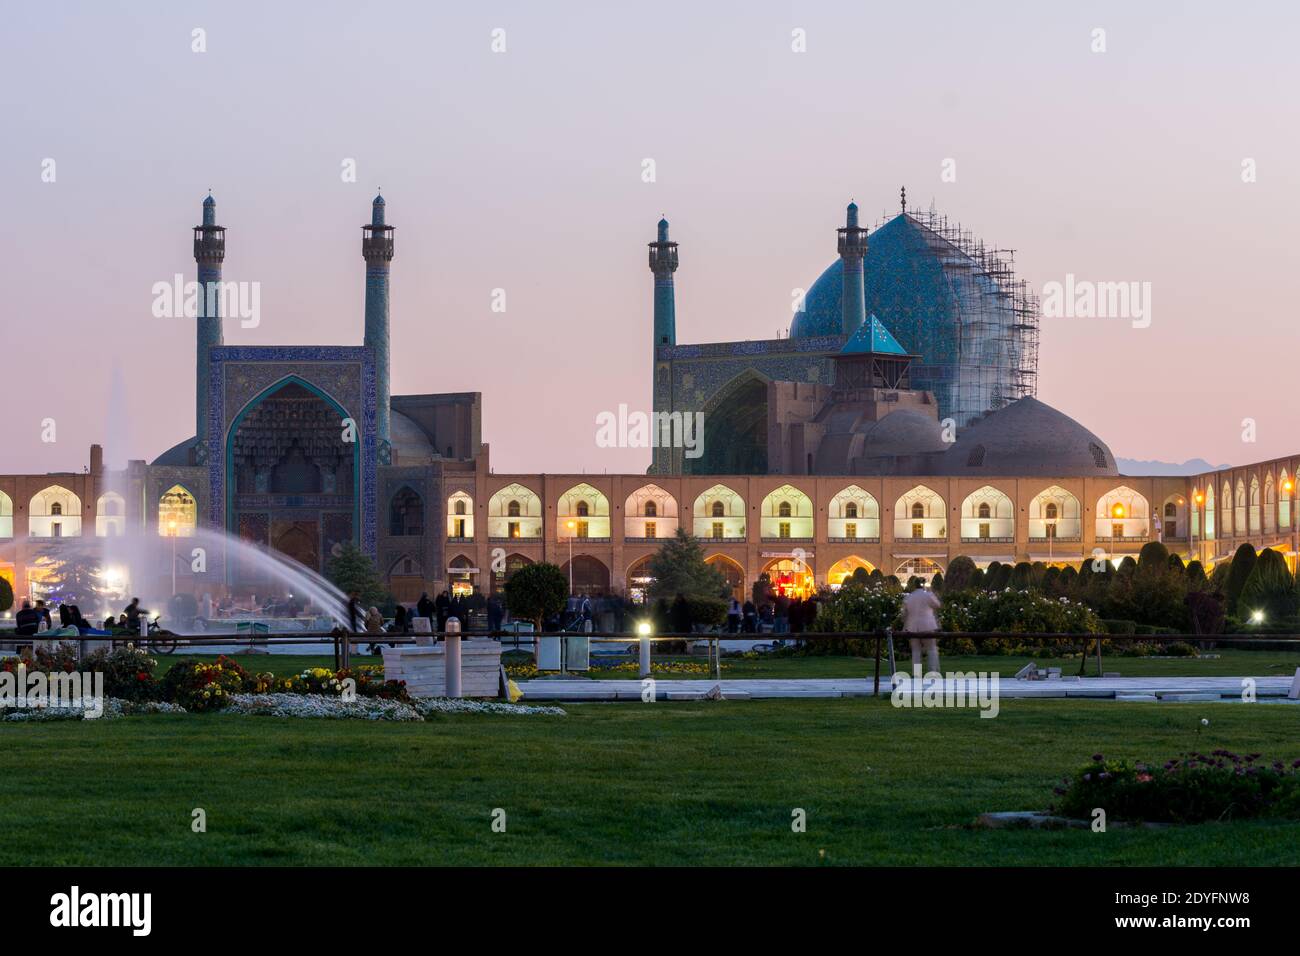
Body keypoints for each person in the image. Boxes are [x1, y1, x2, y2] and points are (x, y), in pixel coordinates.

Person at [902, 581, 942, 674]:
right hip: (927, 625)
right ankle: (933, 672)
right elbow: (937, 605)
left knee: (916, 651)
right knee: (931, 649)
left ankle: (916, 674)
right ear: (923, 585)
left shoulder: (909, 597)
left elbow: (904, 612)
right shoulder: (927, 595)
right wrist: (931, 592)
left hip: (912, 626)